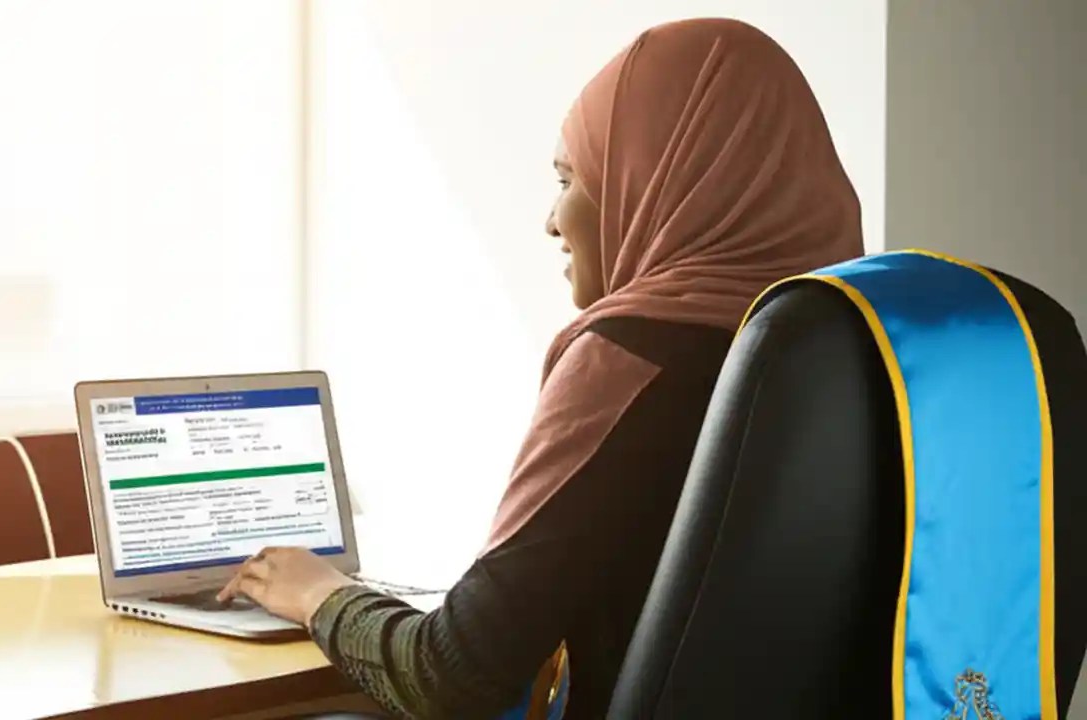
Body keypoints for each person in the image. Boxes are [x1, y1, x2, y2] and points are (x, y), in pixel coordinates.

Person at [218, 17, 864, 719]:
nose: (552, 221)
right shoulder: (844, 346)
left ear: (649, 180)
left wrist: (314, 592)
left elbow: (452, 677)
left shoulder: (629, 357)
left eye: (568, 180)